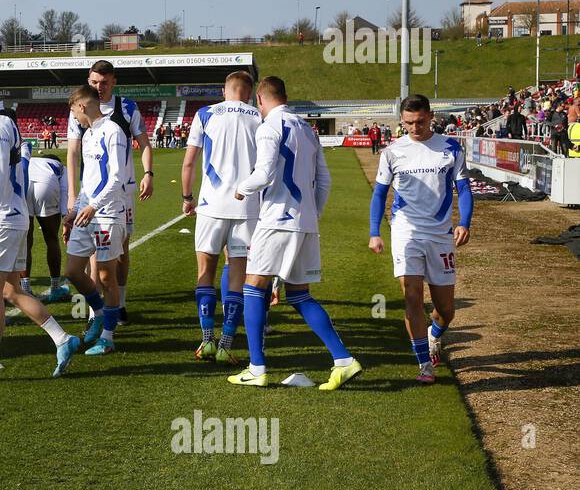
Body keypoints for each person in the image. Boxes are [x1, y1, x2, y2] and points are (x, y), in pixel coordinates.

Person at [229, 76, 362, 390]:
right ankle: (343, 361)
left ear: (260, 100)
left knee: (254, 286)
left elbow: (263, 173)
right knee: (299, 294)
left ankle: (257, 367)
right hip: (305, 222)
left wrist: (240, 189)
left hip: (276, 220)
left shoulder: (269, 127)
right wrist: (313, 214)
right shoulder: (307, 128)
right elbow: (325, 181)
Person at [0, 63, 80, 382]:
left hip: (2, 219)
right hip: (13, 217)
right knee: (9, 290)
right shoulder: (3, 120)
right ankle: (63, 339)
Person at [369, 95, 472, 384]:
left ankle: (434, 334)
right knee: (412, 295)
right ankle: (424, 364)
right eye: (409, 123)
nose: (414, 127)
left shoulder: (450, 148)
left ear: (431, 116)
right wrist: (375, 232)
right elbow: (379, 194)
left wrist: (464, 223)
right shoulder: (392, 152)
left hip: (440, 234)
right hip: (405, 231)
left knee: (446, 310)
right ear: (402, 121)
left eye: (420, 121)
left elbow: (463, 189)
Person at [180, 70, 261, 365]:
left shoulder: (205, 113)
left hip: (211, 204)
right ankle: (227, 342)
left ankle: (207, 340)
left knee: (206, 270)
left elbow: (189, 162)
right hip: (247, 207)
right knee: (239, 273)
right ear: (250, 93)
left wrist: (187, 198)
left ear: (224, 90)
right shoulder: (258, 115)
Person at [64, 60, 153, 325]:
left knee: (120, 252)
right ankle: (96, 312)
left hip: (121, 192)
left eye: (103, 82)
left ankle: (119, 304)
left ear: (113, 81)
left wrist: (148, 173)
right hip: (90, 193)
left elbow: (144, 143)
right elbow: (72, 152)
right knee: (92, 254)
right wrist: (72, 196)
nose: (98, 87)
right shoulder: (79, 113)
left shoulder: (126, 108)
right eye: (93, 82)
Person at [60, 84, 130, 356]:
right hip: (87, 212)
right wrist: (74, 211)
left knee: (105, 275)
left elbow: (117, 177)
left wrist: (93, 206)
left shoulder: (113, 131)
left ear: (81, 105)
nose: (74, 118)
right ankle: (99, 313)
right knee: (73, 271)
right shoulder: (88, 135)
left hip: (108, 213)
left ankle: (108, 337)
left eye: (73, 112)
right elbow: (89, 180)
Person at [23, 143, 70, 303]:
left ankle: (25, 288)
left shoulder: (33, 160)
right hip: (47, 185)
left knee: (26, 243)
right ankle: (55, 287)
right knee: (51, 239)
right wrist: (65, 218)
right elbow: (65, 191)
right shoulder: (60, 166)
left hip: (25, 183)